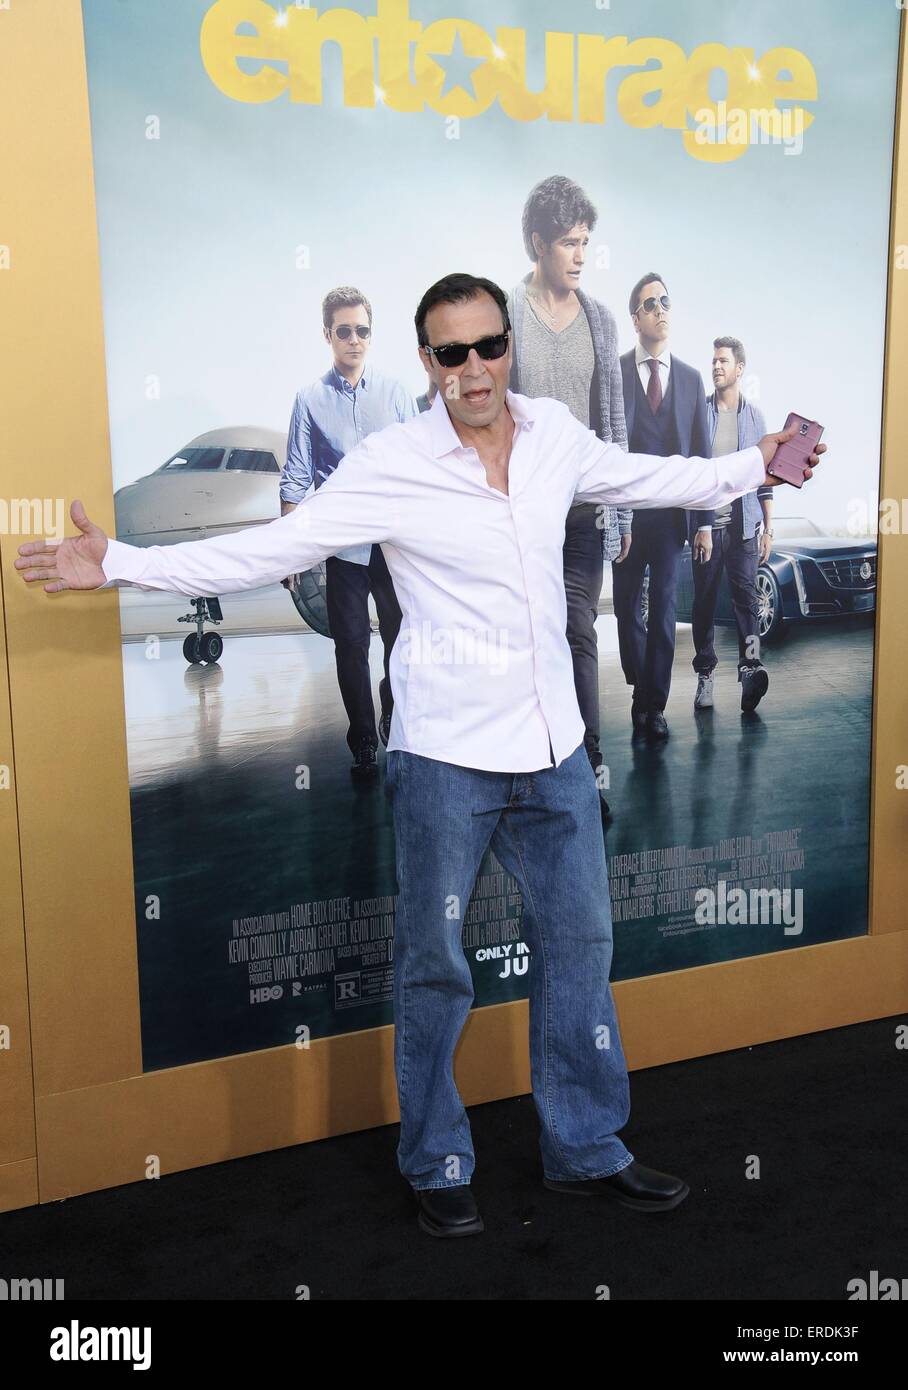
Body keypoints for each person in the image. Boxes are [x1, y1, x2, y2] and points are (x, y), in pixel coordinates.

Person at [15, 273, 823, 1240]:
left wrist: (757, 466)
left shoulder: (558, 435)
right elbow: (276, 548)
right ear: (428, 364)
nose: (473, 369)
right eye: (450, 354)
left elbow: (654, 475)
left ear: (508, 344)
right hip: (444, 758)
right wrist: (120, 564)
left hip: (556, 753)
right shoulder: (389, 464)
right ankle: (437, 1158)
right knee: (436, 968)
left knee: (582, 953)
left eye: (488, 346)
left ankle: (587, 1149)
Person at [507, 175, 629, 817]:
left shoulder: (601, 319)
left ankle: (590, 763)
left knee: (579, 629)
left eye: (585, 242)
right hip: (522, 512)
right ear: (537, 244)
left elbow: (612, 420)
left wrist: (621, 507)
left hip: (584, 513)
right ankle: (527, 764)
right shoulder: (505, 313)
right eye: (568, 243)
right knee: (531, 634)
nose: (580, 255)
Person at [282, 286, 417, 776]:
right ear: (328, 335)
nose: (354, 339)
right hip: (344, 546)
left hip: (395, 543)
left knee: (402, 639)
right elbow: (296, 476)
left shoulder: (396, 394)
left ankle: (392, 707)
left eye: (362, 330)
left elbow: (421, 466)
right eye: (344, 331)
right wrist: (289, 553)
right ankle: (362, 738)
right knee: (351, 643)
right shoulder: (310, 400)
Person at [614, 274, 710, 739]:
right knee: (627, 609)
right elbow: (603, 445)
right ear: (635, 318)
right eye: (650, 304)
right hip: (628, 515)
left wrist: (705, 524)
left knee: (666, 610)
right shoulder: (614, 374)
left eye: (665, 301)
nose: (660, 310)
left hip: (673, 517)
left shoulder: (690, 379)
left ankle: (654, 705)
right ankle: (639, 684)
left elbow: (704, 458)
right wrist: (610, 514)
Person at [691, 337, 774, 712]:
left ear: (739, 368)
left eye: (723, 361)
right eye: (713, 361)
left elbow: (764, 475)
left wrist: (767, 527)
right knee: (705, 604)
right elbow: (693, 472)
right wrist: (700, 525)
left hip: (743, 529)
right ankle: (705, 674)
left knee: (748, 603)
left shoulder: (754, 417)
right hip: (707, 529)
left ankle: (750, 668)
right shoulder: (700, 413)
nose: (716, 367)